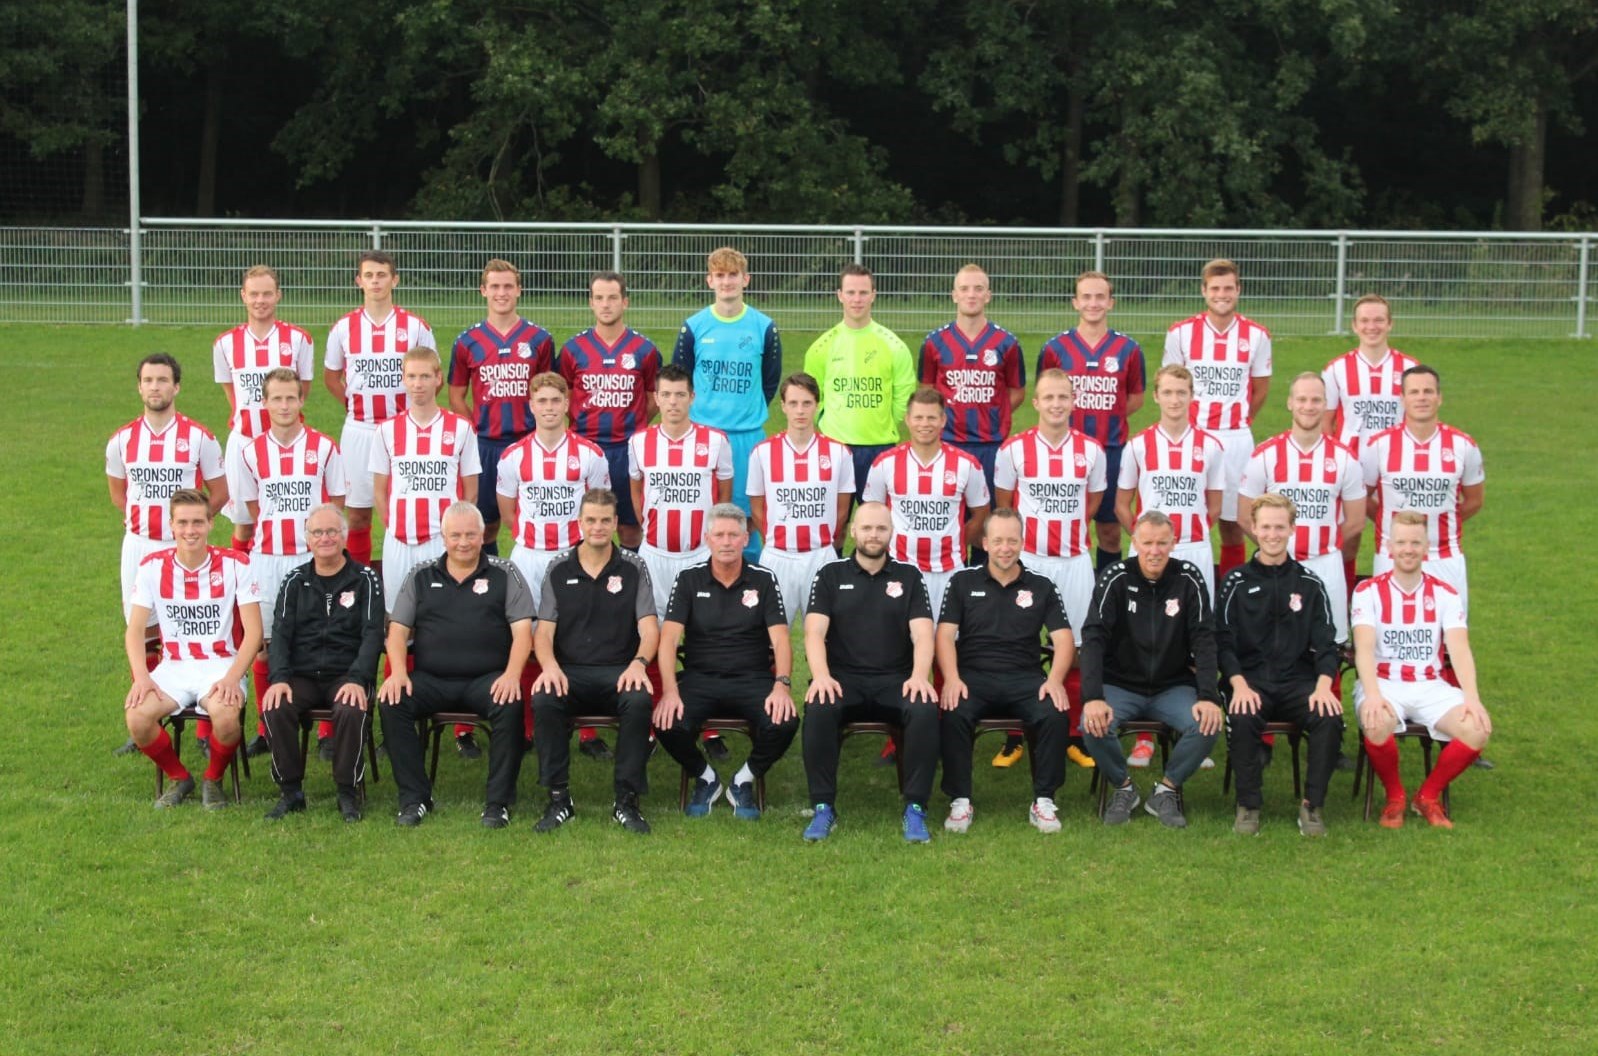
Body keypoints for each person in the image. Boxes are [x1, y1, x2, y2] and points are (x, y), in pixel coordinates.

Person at [377, 502, 534, 828]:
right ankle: (415, 798)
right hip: (431, 679)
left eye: (471, 535)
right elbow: (397, 632)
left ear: (483, 536)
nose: (464, 542)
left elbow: (522, 633)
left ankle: (498, 803)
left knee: (511, 701)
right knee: (392, 700)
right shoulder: (420, 575)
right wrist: (399, 673)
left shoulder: (506, 573)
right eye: (456, 535)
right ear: (443, 537)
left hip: (487, 680)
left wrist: (511, 675)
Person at [106, 353, 227, 755]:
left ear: (176, 387)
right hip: (139, 545)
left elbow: (219, 490)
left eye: (163, 380)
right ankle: (148, 709)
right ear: (138, 387)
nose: (155, 387)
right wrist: (147, 523)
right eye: (148, 380)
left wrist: (190, 530)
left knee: (195, 629)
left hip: (184, 546)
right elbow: (119, 493)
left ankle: (206, 727)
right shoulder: (122, 439)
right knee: (143, 633)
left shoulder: (199, 437)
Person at [799, 502, 938, 843]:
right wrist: (820, 676)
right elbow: (814, 632)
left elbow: (922, 632)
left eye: (881, 528)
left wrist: (920, 676)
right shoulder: (831, 575)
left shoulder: (909, 576)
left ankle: (916, 808)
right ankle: (822, 807)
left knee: (924, 710)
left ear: (891, 532)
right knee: (818, 708)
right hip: (843, 680)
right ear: (853, 532)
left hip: (896, 680)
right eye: (867, 528)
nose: (873, 535)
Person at [652, 504, 799, 821]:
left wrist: (782, 685)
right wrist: (669, 691)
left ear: (746, 538)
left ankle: (743, 779)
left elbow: (781, 639)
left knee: (784, 721)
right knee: (666, 721)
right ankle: (705, 777)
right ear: (708, 538)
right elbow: (668, 640)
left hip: (752, 679)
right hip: (699, 679)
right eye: (720, 535)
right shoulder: (689, 579)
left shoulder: (763, 579)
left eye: (734, 534)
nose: (727, 541)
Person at [1079, 511, 1223, 829]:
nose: (1154, 551)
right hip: (1121, 684)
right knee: (1092, 723)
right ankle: (1123, 788)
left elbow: (1204, 639)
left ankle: (1166, 790)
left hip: (1172, 685)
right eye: (1147, 543)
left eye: (1161, 543)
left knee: (1209, 723)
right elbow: (1092, 638)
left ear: (1173, 543)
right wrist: (1092, 696)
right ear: (1135, 542)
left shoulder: (1189, 578)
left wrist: (1208, 695)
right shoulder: (1116, 576)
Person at [935, 509, 1075, 834]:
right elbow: (944, 635)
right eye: (997, 540)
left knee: (1055, 712)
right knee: (953, 711)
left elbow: (1064, 640)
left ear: (1022, 543)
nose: (1005, 548)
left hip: (1025, 678)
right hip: (973, 678)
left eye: (1012, 540)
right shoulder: (962, 582)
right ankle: (959, 800)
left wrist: (1054, 680)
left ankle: (1044, 800)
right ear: (985, 543)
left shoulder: (1041, 586)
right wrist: (953, 679)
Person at [528, 489, 660, 834]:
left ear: (616, 523)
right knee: (544, 699)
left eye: (605, 520)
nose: (598, 527)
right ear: (580, 523)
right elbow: (542, 633)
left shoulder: (634, 566)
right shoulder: (559, 567)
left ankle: (626, 800)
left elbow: (649, 628)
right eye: (591, 520)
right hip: (569, 672)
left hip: (620, 672)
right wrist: (550, 667)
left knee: (639, 699)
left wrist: (639, 663)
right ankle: (559, 798)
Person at [993, 368, 1105, 769]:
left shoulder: (1092, 451)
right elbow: (1005, 507)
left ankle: (1074, 733)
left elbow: (1091, 505)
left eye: (1064, 397)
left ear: (1073, 401)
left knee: (1074, 649)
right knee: (1014, 647)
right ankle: (1014, 735)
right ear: (1036, 402)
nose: (1056, 404)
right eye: (1049, 397)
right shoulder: (1013, 450)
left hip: (1073, 561)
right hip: (1028, 563)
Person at [1113, 364, 1224, 772]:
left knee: (1193, 638)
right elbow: (1123, 504)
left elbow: (1212, 504)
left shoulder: (1210, 446)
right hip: (1148, 553)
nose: (1175, 399)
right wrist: (1146, 544)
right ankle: (1144, 736)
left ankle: (1189, 726)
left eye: (1183, 392)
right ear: (1156, 397)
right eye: (1168, 392)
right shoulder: (1138, 446)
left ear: (1192, 396)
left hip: (1192, 550)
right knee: (1144, 636)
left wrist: (1186, 540)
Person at [1352, 512, 1492, 829]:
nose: (1408, 549)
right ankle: (1395, 797)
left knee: (1478, 728)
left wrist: (1472, 697)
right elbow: (1362, 648)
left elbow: (1459, 649)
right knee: (1377, 721)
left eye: (1415, 543)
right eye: (1401, 542)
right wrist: (1372, 695)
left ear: (1426, 547)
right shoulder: (1368, 592)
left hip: (1430, 685)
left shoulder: (1445, 593)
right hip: (1384, 682)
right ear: (1390, 546)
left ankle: (1428, 796)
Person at [122, 490, 261, 809]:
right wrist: (142, 678)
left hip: (220, 664)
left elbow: (254, 632)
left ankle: (213, 779)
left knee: (227, 720)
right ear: (171, 526)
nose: (190, 530)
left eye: (198, 522)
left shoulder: (236, 564)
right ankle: (179, 777)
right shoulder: (152, 566)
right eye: (183, 522)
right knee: (138, 720)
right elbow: (135, 630)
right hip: (174, 667)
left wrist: (232, 678)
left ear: (211, 523)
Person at [235, 367, 346, 758]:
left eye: (290, 397)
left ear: (302, 400)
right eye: (276, 398)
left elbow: (335, 508)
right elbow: (252, 511)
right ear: (264, 403)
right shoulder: (249, 452)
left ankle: (328, 732)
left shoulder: (325, 447)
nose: (284, 405)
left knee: (324, 640)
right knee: (264, 647)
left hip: (310, 560)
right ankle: (268, 728)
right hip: (266, 561)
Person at [1216, 495, 1343, 836]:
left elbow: (1327, 643)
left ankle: (1312, 806)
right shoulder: (1235, 582)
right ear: (1253, 529)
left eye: (1279, 527)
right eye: (1266, 527)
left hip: (1298, 682)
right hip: (1250, 680)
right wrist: (1238, 684)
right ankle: (1248, 806)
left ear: (1292, 529)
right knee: (1242, 715)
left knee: (1329, 717)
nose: (1272, 534)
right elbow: (1222, 641)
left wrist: (1322, 685)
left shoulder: (1310, 583)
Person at [258, 504, 384, 822]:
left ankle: (347, 792)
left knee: (350, 708)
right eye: (318, 532)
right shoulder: (294, 581)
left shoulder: (365, 580)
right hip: (301, 675)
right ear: (308, 539)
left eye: (332, 531)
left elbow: (372, 635)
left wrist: (358, 678)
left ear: (344, 537)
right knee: (275, 706)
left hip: (346, 674)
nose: (325, 538)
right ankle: (291, 791)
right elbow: (281, 635)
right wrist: (280, 678)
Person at [322, 250, 437, 568]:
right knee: (358, 513)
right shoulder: (344, 327)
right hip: (360, 429)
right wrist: (352, 402)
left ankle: (407, 578)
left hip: (403, 430)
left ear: (394, 279)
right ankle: (362, 584)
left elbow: (432, 375)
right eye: (369, 275)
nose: (375, 281)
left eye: (382, 275)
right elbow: (331, 376)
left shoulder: (415, 326)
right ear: (359, 281)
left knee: (406, 510)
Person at [1161, 258, 1272, 581]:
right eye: (1215, 288)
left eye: (1228, 288)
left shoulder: (1256, 335)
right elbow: (1172, 383)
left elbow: (1261, 388)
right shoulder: (1181, 333)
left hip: (1236, 437)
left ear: (1238, 290)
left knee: (1236, 522)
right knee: (1188, 516)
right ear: (1204, 291)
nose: (1221, 294)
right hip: (1194, 436)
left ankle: (1230, 595)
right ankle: (1179, 586)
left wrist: (1239, 418)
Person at [1237, 372, 1366, 643]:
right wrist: (1271, 545)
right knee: (1272, 641)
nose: (1309, 406)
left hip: (1326, 563)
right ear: (1290, 403)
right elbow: (1243, 514)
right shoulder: (1266, 454)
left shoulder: (1344, 458)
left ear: (1325, 404)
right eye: (1302, 399)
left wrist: (1327, 546)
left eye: (1316, 400)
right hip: (1276, 564)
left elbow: (1355, 521)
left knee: (1330, 644)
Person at [672, 247, 782, 552]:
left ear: (745, 279)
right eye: (719, 275)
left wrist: (744, 410)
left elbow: (770, 382)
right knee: (703, 515)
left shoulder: (764, 327)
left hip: (747, 438)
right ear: (709, 281)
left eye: (733, 275)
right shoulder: (693, 327)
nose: (726, 281)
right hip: (704, 438)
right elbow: (681, 380)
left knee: (747, 518)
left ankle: (751, 586)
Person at [1036, 270, 1147, 571]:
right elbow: (1046, 394)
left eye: (1100, 297)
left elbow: (1135, 397)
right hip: (1064, 452)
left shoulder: (1128, 349)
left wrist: (1106, 413)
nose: (1093, 303)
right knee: (1062, 527)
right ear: (1075, 302)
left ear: (1111, 302)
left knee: (1109, 532)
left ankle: (1104, 600)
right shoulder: (1055, 349)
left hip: (1111, 450)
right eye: (1086, 297)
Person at [447, 258, 555, 557]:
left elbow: (550, 391)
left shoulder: (540, 339)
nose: (501, 293)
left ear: (519, 290)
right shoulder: (467, 341)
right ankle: (488, 584)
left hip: (529, 443)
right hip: (486, 446)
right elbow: (456, 395)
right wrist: (475, 431)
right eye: (494, 286)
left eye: (508, 286)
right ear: (483, 290)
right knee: (485, 523)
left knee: (539, 516)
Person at [1359, 365, 1484, 613]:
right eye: (1414, 392)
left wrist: (1443, 522)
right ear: (1403, 399)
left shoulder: (1463, 445)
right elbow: (1362, 497)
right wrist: (1393, 524)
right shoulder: (1379, 445)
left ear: (1439, 397)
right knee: (1391, 635)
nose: (1422, 397)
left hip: (1445, 557)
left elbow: (1474, 500)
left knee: (1448, 639)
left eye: (1428, 391)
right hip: (1391, 555)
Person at [918, 263, 1026, 545]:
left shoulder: (1007, 343)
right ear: (954, 295)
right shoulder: (934, 342)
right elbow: (928, 393)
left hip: (991, 446)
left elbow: (1016, 392)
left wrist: (992, 412)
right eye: (964, 289)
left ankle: (983, 585)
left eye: (978, 289)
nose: (971, 295)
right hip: (948, 445)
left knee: (987, 525)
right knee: (947, 518)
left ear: (988, 295)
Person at [860, 386, 991, 617]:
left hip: (950, 571)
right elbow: (871, 514)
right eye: (918, 417)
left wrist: (956, 540)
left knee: (948, 642)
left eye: (931, 417)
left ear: (942, 420)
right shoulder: (885, 463)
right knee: (899, 643)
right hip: (899, 570)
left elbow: (981, 515)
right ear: (908, 419)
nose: (925, 424)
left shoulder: (966, 465)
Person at [211, 265, 315, 552]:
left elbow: (301, 389)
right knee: (244, 524)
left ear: (278, 296)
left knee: (288, 519)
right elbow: (232, 393)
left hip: (287, 445)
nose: (260, 301)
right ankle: (244, 590)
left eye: (267, 294)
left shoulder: (298, 339)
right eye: (254, 294)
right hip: (244, 444)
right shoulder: (225, 344)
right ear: (243, 296)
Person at [369, 348, 482, 609]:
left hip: (440, 540)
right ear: (403, 379)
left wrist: (453, 532)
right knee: (398, 616)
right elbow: (379, 491)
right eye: (411, 377)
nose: (418, 384)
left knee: (444, 612)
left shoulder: (461, 428)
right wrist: (395, 525)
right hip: (398, 540)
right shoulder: (386, 430)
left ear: (437, 378)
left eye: (424, 376)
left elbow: (471, 492)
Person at [1320, 294, 1416, 595]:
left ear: (1390, 324)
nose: (1371, 326)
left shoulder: (1410, 368)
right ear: (1354, 325)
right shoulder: (1336, 369)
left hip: (1396, 467)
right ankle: (1346, 613)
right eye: (1365, 320)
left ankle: (1396, 608)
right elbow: (1326, 422)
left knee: (1402, 538)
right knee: (1348, 540)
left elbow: (1419, 418)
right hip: (1353, 465)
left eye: (1378, 320)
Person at [558, 270, 661, 549]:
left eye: (613, 298)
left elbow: (654, 398)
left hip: (628, 451)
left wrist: (634, 421)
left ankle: (630, 586)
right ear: (591, 302)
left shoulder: (645, 350)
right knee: (585, 527)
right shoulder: (572, 349)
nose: (606, 304)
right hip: (585, 449)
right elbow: (565, 397)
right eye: (599, 298)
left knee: (630, 528)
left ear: (625, 302)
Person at [494, 372, 611, 606]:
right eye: (542, 401)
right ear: (531, 406)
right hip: (528, 556)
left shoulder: (592, 454)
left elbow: (600, 508)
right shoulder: (512, 456)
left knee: (576, 623)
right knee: (529, 626)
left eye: (556, 400)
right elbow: (508, 514)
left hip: (574, 553)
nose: (549, 407)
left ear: (567, 404)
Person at [627, 364, 734, 617]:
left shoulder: (716, 441)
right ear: (656, 398)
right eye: (666, 395)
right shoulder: (639, 442)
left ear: (692, 397)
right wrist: (647, 524)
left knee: (706, 628)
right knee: (653, 630)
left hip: (700, 553)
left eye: (680, 395)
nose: (672, 402)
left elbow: (724, 496)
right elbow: (636, 491)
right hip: (654, 553)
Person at [747, 372, 855, 621]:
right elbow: (757, 508)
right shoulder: (762, 453)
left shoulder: (839, 453)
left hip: (820, 556)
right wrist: (776, 539)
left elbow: (842, 511)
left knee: (825, 636)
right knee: (770, 637)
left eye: (807, 403)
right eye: (793, 403)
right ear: (783, 406)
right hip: (777, 556)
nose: (800, 411)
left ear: (817, 405)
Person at [804, 263, 918, 492]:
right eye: (851, 292)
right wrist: (825, 421)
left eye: (863, 292)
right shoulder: (821, 347)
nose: (857, 299)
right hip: (835, 447)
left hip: (880, 447)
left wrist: (883, 423)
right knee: (833, 521)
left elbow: (904, 396)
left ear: (873, 295)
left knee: (878, 522)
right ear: (839, 295)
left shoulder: (894, 345)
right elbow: (810, 397)